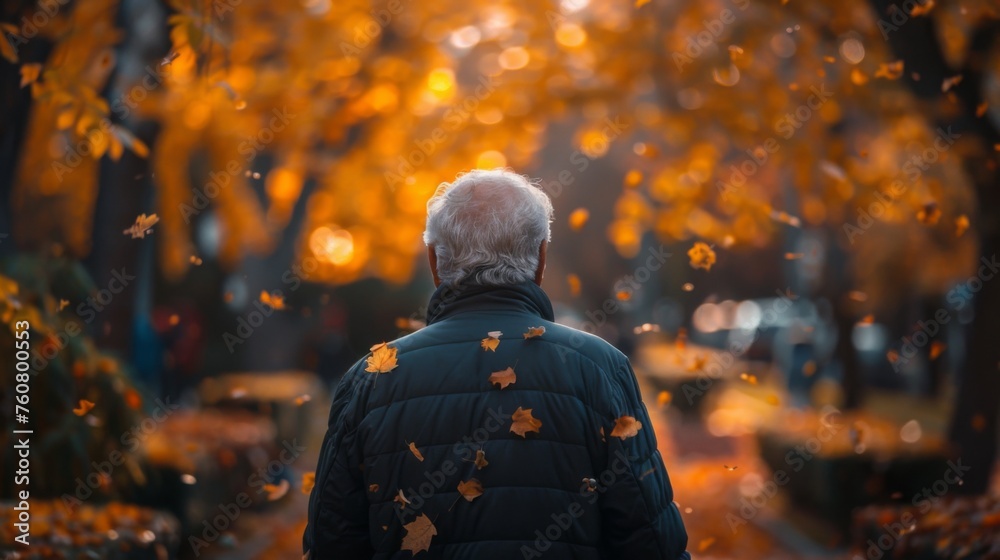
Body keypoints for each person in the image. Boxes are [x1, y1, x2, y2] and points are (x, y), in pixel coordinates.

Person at [304, 169, 690, 559]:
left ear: (434, 262)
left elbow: (331, 543)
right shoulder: (600, 368)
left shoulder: (371, 378)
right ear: (541, 258)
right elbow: (651, 541)